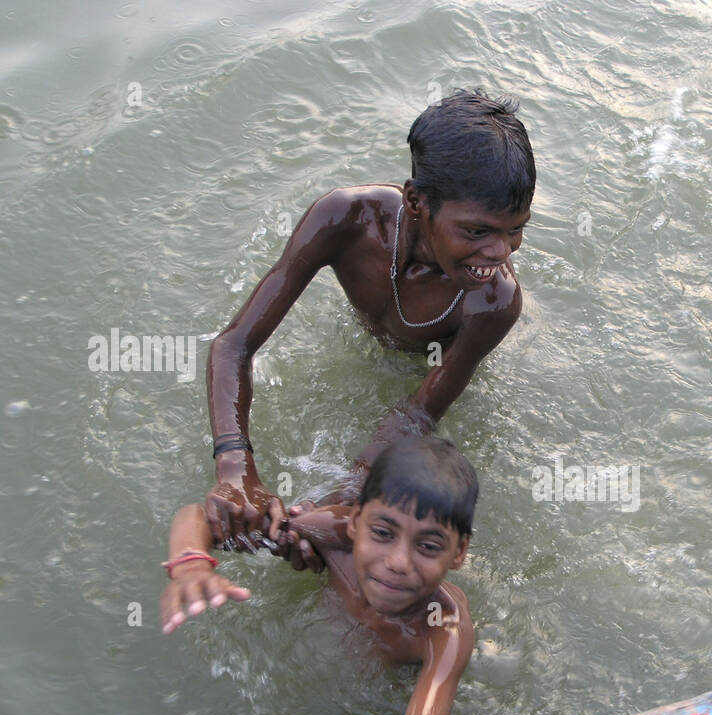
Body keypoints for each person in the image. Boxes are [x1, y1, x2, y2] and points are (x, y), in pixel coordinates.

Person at [205, 90, 533, 556]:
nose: (501, 252)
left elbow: (417, 411)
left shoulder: (495, 301)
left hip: (436, 367)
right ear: (416, 202)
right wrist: (236, 471)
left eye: (516, 229)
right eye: (478, 231)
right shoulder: (344, 219)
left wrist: (348, 494)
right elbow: (234, 346)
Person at [160, 436, 477, 715]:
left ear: (460, 553)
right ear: (357, 523)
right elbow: (198, 516)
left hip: (391, 683)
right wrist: (191, 566)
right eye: (382, 533)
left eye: (429, 547)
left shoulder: (443, 629)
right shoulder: (331, 537)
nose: (397, 562)